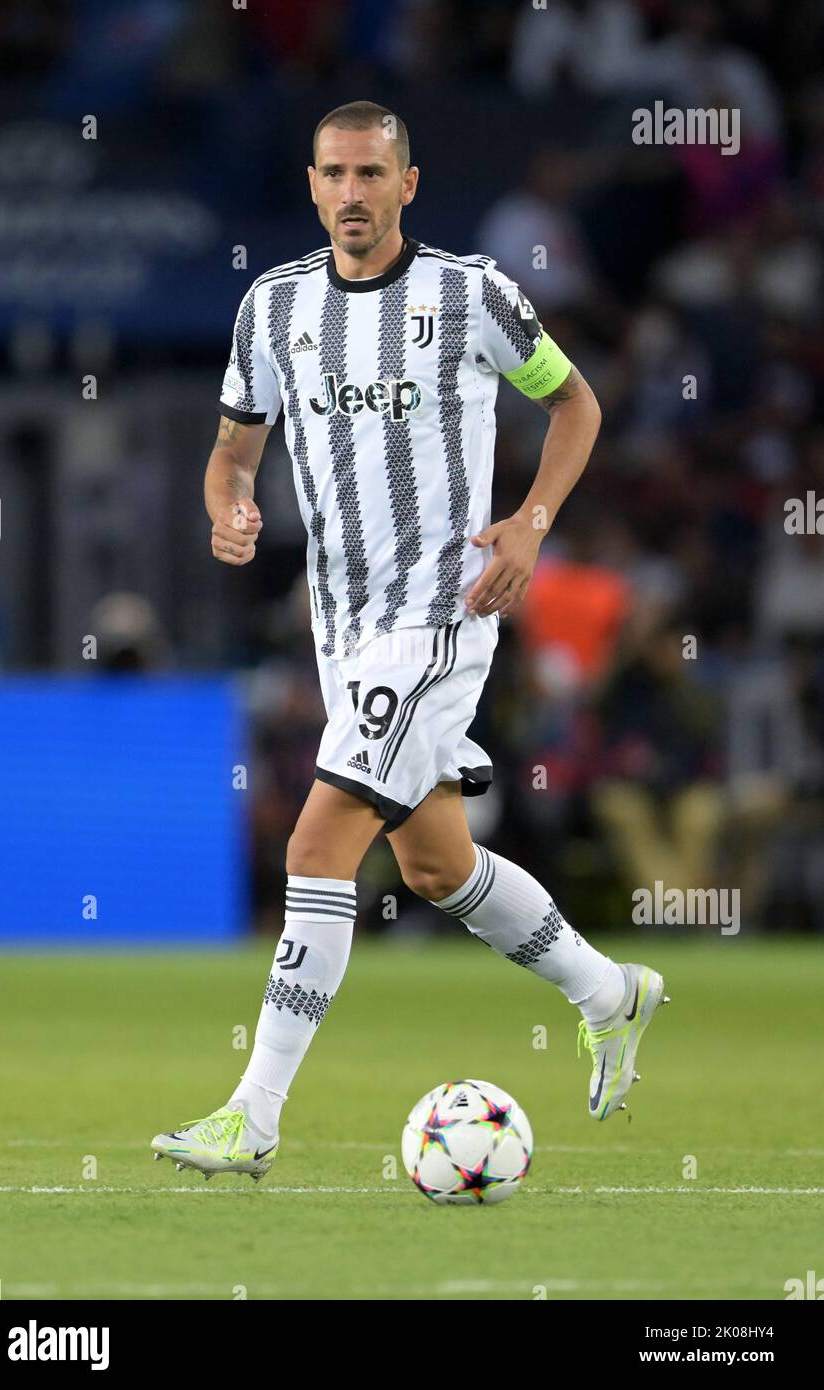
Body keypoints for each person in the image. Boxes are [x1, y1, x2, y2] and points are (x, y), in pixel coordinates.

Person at [151, 101, 668, 1185]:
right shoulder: (272, 306)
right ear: (310, 185)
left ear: (406, 184)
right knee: (434, 866)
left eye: (369, 174)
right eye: (333, 173)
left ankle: (254, 1115)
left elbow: (575, 406)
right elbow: (232, 452)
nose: (350, 193)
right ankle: (606, 991)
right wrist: (228, 506)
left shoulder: (469, 294)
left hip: (440, 618)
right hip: (339, 631)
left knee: (313, 847)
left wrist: (528, 523)